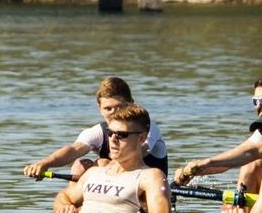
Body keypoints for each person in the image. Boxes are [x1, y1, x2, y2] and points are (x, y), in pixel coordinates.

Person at [6, 102, 171, 213]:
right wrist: (64, 207)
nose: (113, 139)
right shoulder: (94, 172)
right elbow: (64, 196)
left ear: (141, 138)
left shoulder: (150, 176)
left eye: (121, 135)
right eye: (110, 132)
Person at [22, 75, 169, 180]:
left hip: (147, 195)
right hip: (113, 192)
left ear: (131, 103)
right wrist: (45, 163)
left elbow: (140, 151)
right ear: (99, 108)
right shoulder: (97, 132)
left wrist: (100, 169)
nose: (114, 113)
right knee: (79, 165)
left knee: (101, 163)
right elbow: (73, 150)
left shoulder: (148, 128)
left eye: (119, 107)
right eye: (108, 108)